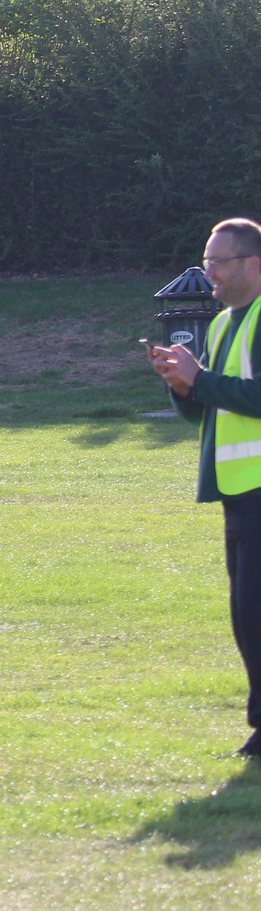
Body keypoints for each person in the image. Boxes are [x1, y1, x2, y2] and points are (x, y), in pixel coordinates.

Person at [152, 217, 261, 758]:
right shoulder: (220, 325)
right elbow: (209, 409)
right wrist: (182, 386)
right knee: (247, 614)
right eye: (207, 260)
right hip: (239, 492)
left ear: (253, 264)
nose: (208, 271)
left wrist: (201, 381)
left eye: (219, 262)